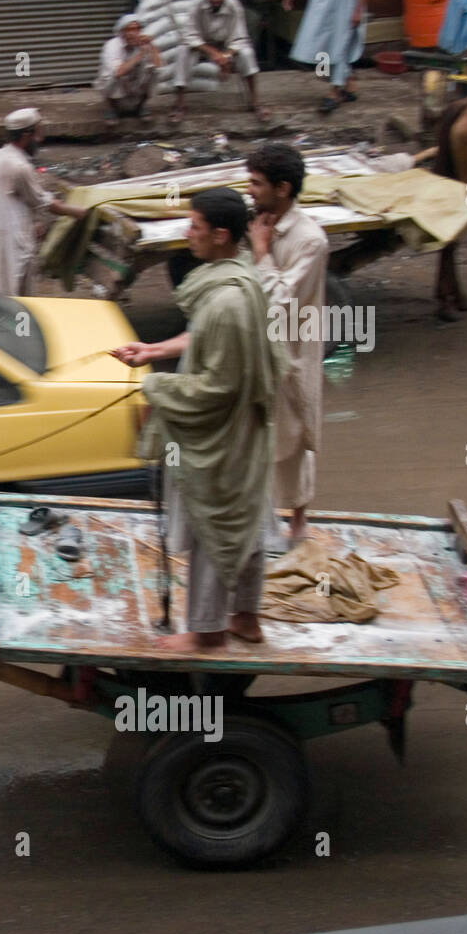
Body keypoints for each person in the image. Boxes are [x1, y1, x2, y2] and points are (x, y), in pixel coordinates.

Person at [111, 189, 284, 651]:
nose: (188, 235)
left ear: (221, 235)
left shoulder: (229, 300)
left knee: (216, 524)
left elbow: (217, 386)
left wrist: (156, 386)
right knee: (247, 517)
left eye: (195, 227)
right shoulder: (237, 279)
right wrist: (155, 351)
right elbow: (206, 337)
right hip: (247, 430)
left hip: (221, 433)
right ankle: (245, 618)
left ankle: (207, 632)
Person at [246, 143, 328, 549]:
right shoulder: (260, 222)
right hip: (257, 348)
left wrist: (261, 252)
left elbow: (280, 300)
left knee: (293, 435)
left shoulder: (310, 240)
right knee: (256, 434)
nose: (250, 190)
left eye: (257, 183)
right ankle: (260, 520)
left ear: (282, 188)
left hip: (292, 350)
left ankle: (298, 526)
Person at [0, 108, 88, 296]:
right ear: (26, 136)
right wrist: (77, 212)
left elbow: (15, 198)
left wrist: (34, 220)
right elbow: (43, 201)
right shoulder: (20, 167)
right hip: (11, 243)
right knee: (15, 295)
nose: (40, 140)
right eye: (38, 134)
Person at [172, 0, 270, 124]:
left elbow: (240, 37)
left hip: (225, 45)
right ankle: (179, 105)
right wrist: (214, 53)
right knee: (182, 52)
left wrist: (226, 56)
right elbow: (189, 36)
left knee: (247, 53)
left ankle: (255, 103)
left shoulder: (234, 6)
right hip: (202, 46)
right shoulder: (197, 5)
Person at [283, 0, 372, 114]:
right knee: (319, 44)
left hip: (345, 6)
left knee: (340, 45)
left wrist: (358, 10)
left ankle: (334, 92)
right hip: (322, 2)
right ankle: (349, 84)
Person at [96, 14, 164, 128]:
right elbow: (118, 72)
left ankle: (141, 106)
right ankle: (112, 109)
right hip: (116, 86)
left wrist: (151, 46)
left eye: (137, 29)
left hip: (134, 85)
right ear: (122, 32)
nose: (134, 33)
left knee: (154, 72)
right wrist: (139, 55)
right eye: (130, 30)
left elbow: (159, 66)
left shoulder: (143, 44)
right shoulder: (112, 45)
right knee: (111, 75)